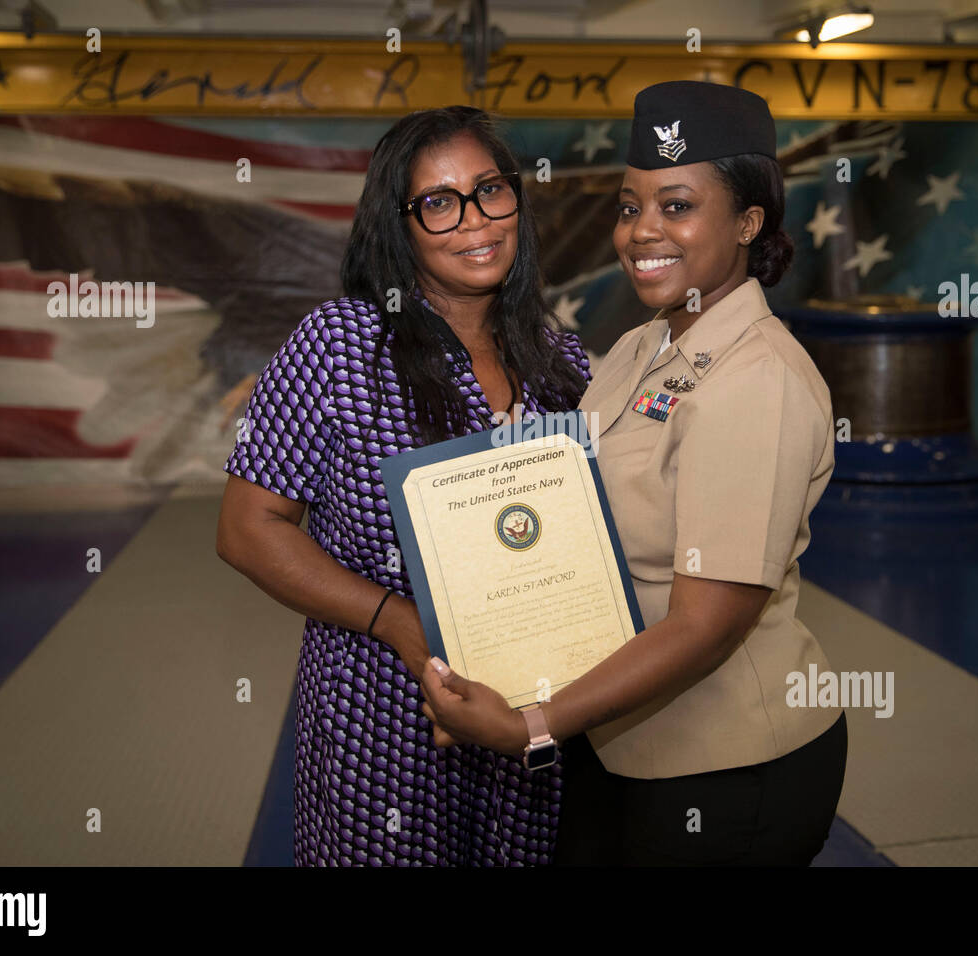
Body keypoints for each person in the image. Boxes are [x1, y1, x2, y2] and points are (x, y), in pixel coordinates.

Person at [419, 80, 848, 866]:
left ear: (748, 222)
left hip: (722, 771)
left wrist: (530, 724)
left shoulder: (757, 380)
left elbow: (706, 625)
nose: (641, 231)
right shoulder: (641, 347)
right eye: (629, 207)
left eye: (677, 206)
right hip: (614, 742)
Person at [215, 105, 590, 865]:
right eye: (439, 202)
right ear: (399, 225)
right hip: (380, 711)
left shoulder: (562, 363)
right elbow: (246, 530)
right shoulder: (341, 346)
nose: (475, 220)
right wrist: (396, 620)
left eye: (490, 190)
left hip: (532, 711)